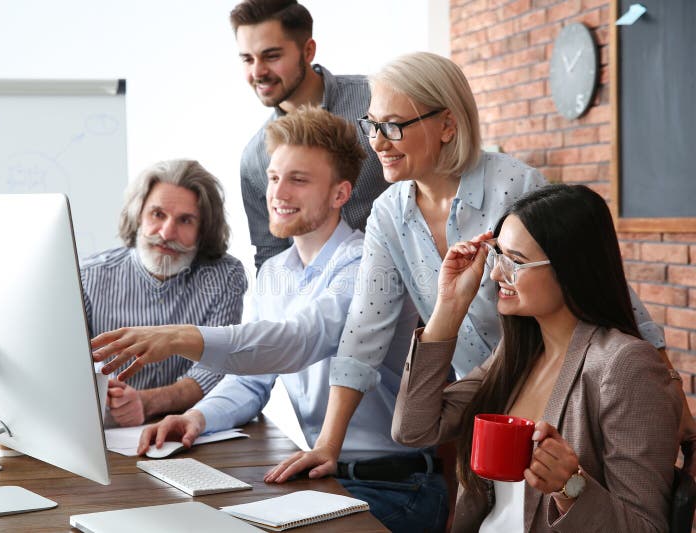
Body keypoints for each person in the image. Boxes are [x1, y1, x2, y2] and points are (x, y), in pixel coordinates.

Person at [268, 51, 678, 484]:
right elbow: (363, 332)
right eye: (371, 125)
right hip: (481, 401)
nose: (378, 143)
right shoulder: (388, 213)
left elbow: (604, 289)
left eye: (393, 126)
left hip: (564, 395)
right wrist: (328, 445)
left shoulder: (516, 186)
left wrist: (676, 404)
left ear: (447, 124)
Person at [91, 106, 448, 532]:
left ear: (339, 194)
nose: (278, 193)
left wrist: (182, 337)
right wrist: (196, 419)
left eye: (298, 180)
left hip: (395, 486)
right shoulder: (275, 272)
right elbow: (251, 379)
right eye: (275, 177)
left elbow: (297, 340)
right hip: (325, 477)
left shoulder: (366, 266)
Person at [391, 184, 681, 532]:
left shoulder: (624, 366)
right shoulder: (515, 355)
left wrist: (571, 488)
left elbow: (647, 527)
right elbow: (413, 429)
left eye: (515, 261)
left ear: (571, 267)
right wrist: (449, 308)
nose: (497, 273)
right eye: (497, 255)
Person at [80, 159, 247, 427]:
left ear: (203, 229)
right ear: (138, 215)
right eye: (157, 215)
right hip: (106, 431)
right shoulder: (88, 277)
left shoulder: (225, 276)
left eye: (185, 220)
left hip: (193, 430)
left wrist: (147, 402)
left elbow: (218, 367)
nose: (167, 233)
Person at [231, 0, 389, 269]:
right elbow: (271, 252)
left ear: (308, 50)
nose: (257, 72)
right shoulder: (255, 158)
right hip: (318, 303)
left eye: (271, 56)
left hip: (409, 292)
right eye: (247, 59)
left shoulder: (376, 100)